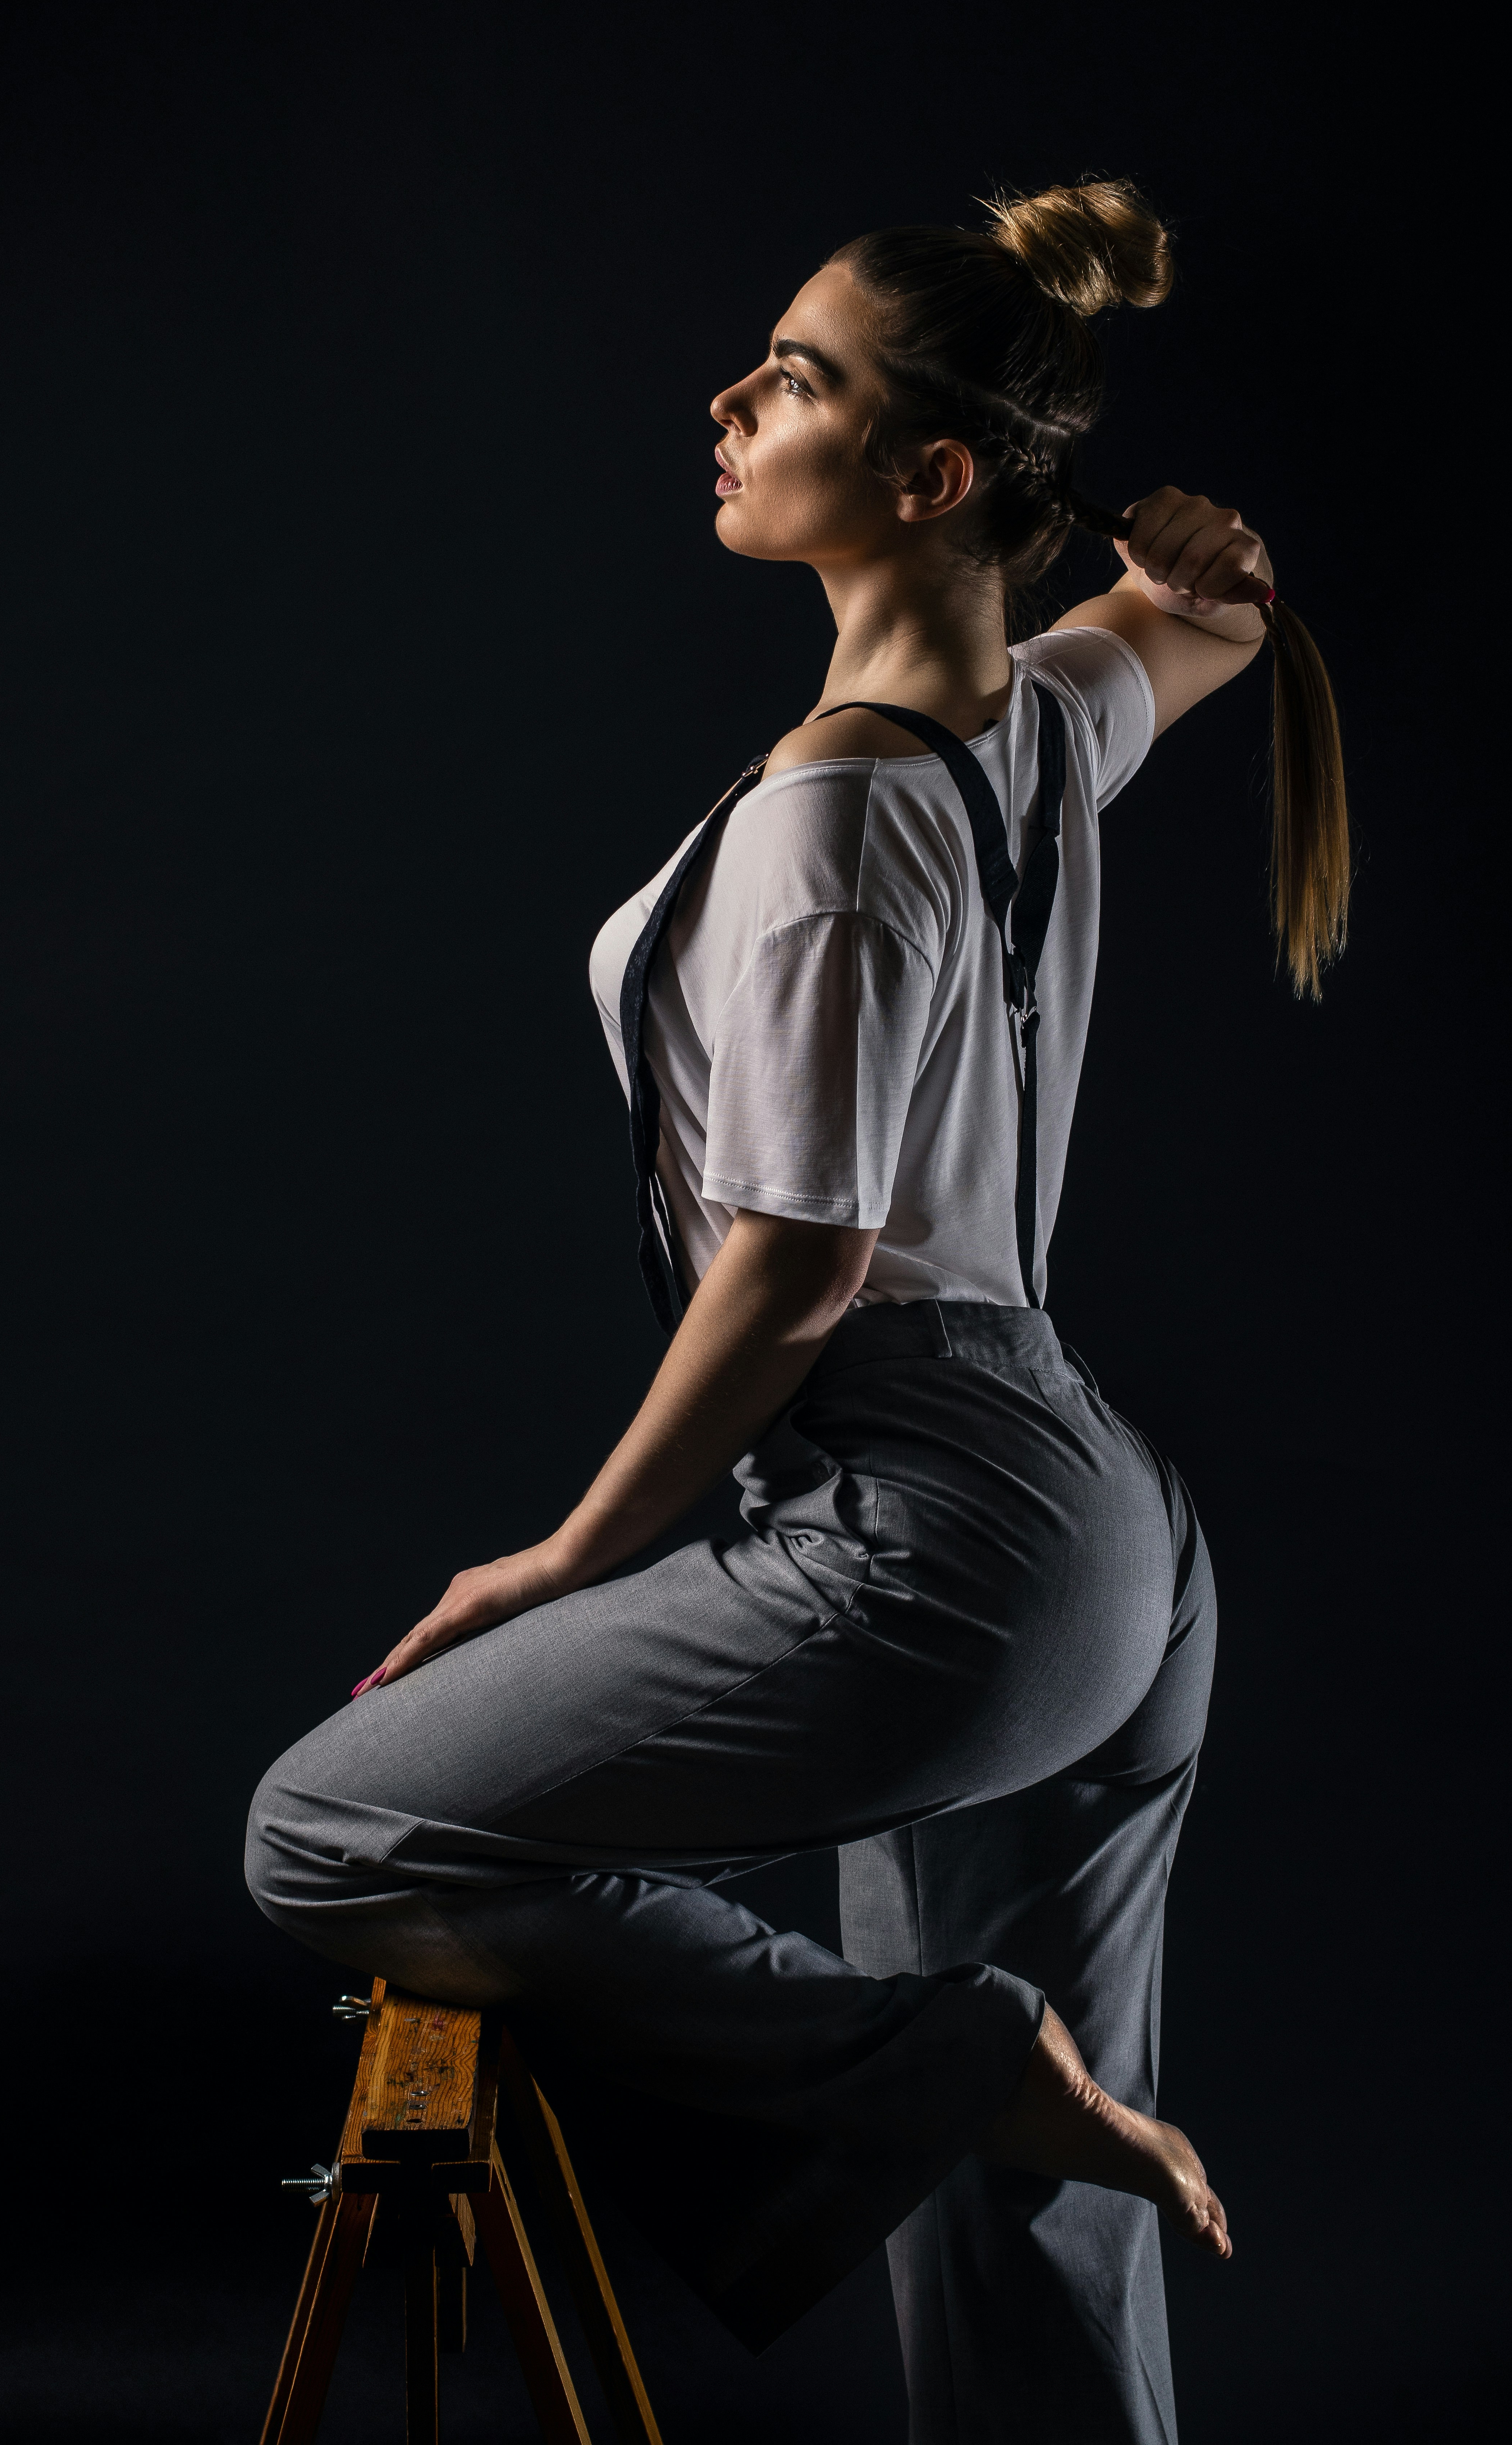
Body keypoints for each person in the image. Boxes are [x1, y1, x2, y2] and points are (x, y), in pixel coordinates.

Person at [246, 177, 1349, 2442]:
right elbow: (1213, 623)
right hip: (1116, 1539)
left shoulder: (836, 822)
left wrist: (568, 1559)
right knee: (1036, 2233)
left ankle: (942, 2058)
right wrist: (1188, 566)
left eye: (799, 376)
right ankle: (970, 2082)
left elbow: (797, 1268)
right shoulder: (1033, 726)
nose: (734, 404)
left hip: (936, 1534)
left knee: (335, 1833)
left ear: (928, 475)